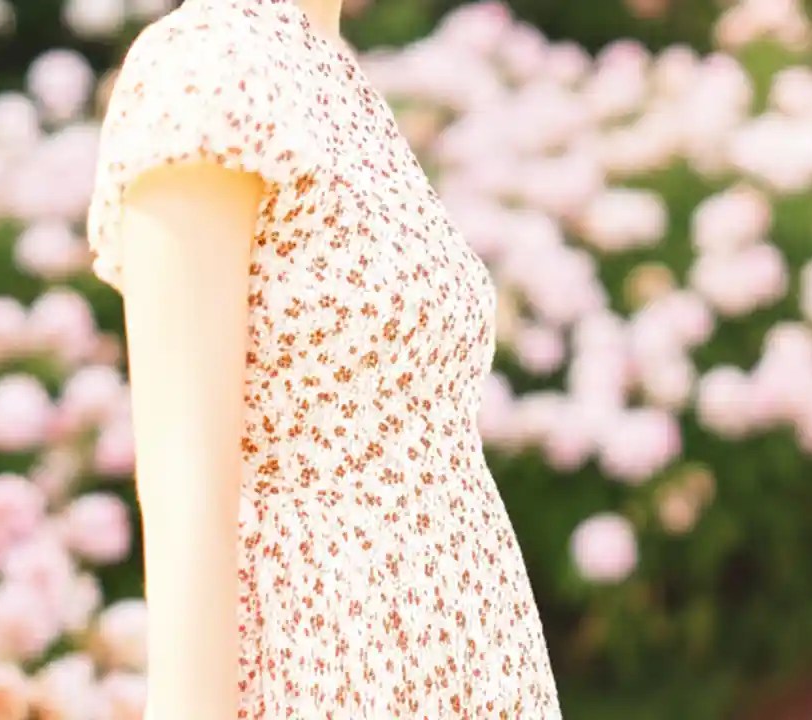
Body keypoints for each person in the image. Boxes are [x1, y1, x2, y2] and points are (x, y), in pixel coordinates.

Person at [84, 0, 563, 717]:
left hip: (458, 665)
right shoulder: (207, 64)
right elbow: (188, 485)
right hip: (328, 665)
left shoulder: (327, 66)